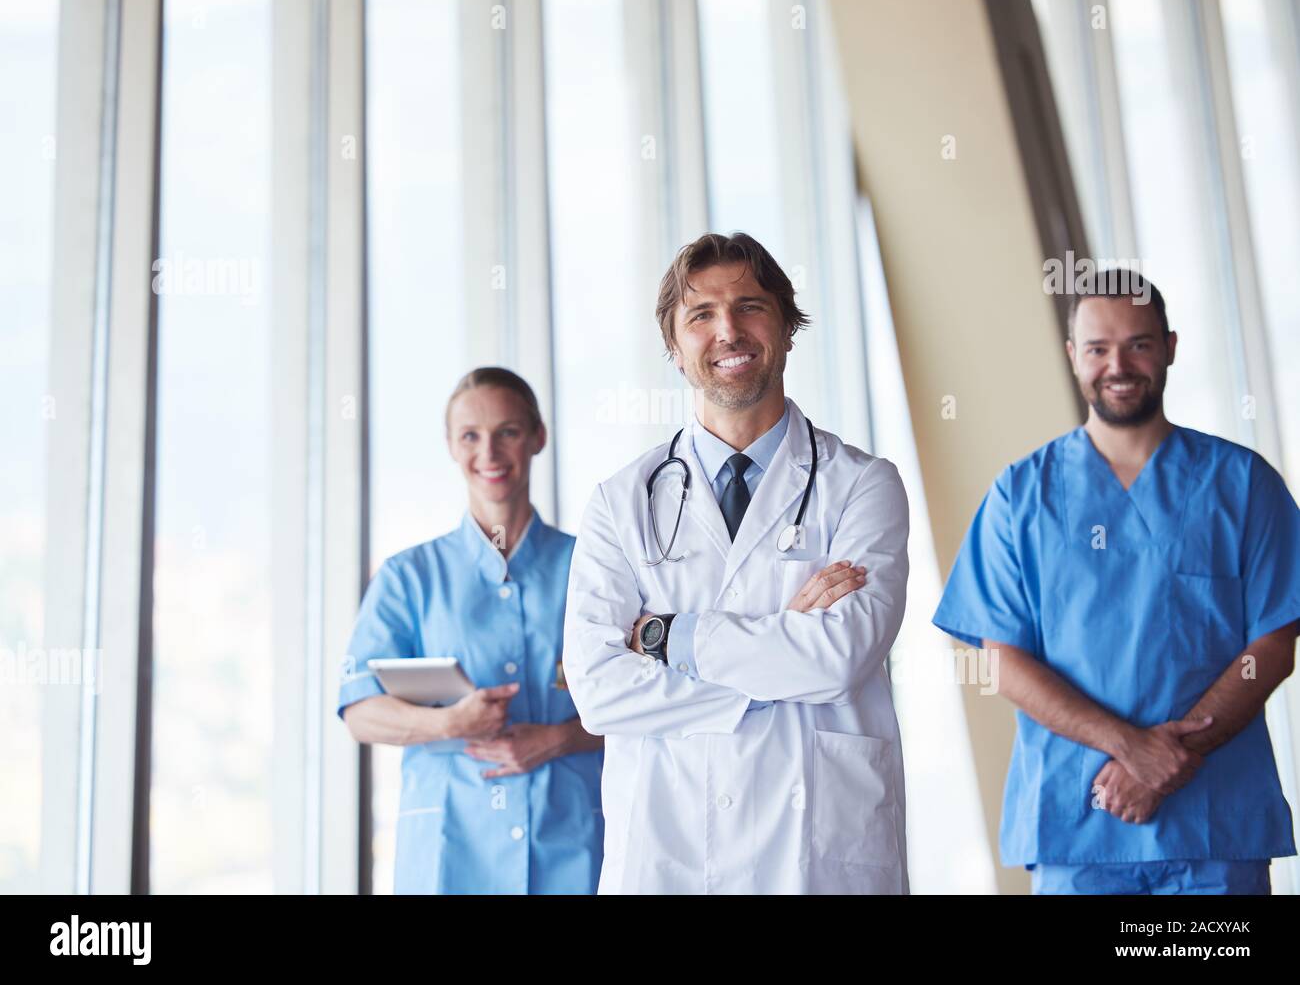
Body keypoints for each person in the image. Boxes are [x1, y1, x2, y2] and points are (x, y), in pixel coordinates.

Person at [563, 231, 910, 894]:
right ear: (674, 345)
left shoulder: (864, 486)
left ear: (785, 329)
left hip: (816, 858)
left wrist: (668, 637)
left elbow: (838, 659)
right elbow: (599, 692)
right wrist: (786, 644)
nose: (729, 329)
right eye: (701, 315)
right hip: (669, 858)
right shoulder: (619, 503)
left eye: (750, 306)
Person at [933, 273, 1299, 895]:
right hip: (1079, 825)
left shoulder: (1242, 484)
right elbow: (1002, 660)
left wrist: (1166, 766)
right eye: (1098, 348)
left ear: (1171, 347)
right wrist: (1131, 748)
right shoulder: (1021, 496)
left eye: (1139, 344)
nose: (1119, 365)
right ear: (1073, 354)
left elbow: (1271, 648)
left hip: (1213, 827)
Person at [338, 367, 604, 894]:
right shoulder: (408, 577)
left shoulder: (592, 568)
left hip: (571, 845)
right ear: (451, 446)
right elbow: (361, 712)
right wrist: (450, 724)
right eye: (470, 436)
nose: (490, 452)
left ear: (537, 436)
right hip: (450, 853)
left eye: (507, 431)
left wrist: (557, 738)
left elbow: (650, 701)